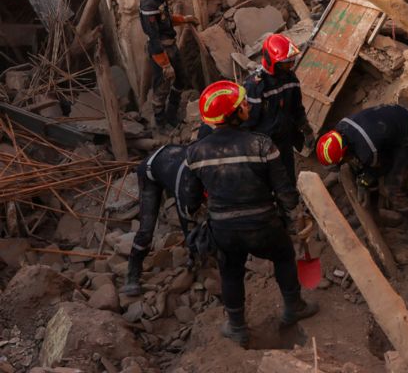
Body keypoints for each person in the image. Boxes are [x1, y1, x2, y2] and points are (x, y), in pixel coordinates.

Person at [186, 81, 318, 346]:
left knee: (231, 271)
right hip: (263, 225)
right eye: (242, 104)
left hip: (223, 230)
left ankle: (236, 326)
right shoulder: (261, 144)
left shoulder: (196, 152)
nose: (248, 106)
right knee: (283, 256)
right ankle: (294, 306)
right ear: (232, 114)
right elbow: (283, 189)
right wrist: (296, 218)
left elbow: (191, 200)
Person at [316, 104, 408, 243]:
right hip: (387, 125)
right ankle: (374, 215)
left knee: (392, 186)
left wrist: (363, 183)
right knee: (364, 172)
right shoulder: (340, 130)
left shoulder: (367, 149)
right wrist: (364, 180)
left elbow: (381, 167)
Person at [121, 144, 204, 296]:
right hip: (150, 172)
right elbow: (187, 219)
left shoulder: (208, 170)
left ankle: (197, 261)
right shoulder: (186, 183)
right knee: (146, 229)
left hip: (171, 162)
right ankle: (132, 275)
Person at [242, 34, 313, 185]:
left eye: (292, 61)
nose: (291, 65)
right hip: (263, 145)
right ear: (271, 62)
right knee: (266, 181)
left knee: (287, 178)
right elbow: (247, 123)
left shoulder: (290, 79)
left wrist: (306, 130)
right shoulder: (255, 87)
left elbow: (297, 108)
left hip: (285, 140)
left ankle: (290, 206)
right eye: (286, 62)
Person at [138, 0, 198, 127]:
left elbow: (165, 19)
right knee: (161, 88)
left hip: (171, 46)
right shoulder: (148, 1)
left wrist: (185, 19)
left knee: (181, 79)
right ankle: (161, 124)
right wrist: (165, 64)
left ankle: (172, 114)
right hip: (161, 50)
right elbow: (153, 36)